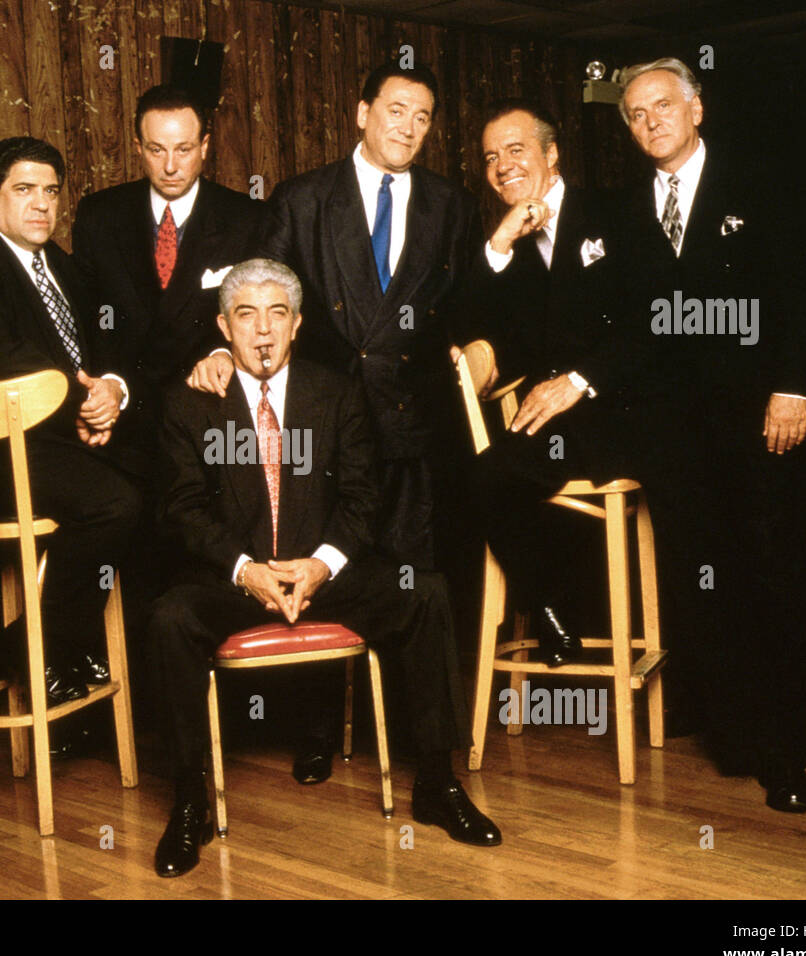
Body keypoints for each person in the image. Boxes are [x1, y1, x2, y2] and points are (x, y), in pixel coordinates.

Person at [148, 260, 501, 878]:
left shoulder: (335, 391)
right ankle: (187, 802)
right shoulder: (190, 400)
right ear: (223, 327)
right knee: (170, 616)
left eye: (277, 314)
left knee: (426, 592)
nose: (262, 332)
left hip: (322, 574)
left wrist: (319, 566)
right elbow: (179, 509)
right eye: (246, 316)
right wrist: (246, 570)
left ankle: (438, 782)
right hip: (240, 578)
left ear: (299, 323)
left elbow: (365, 498)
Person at [189, 59, 480, 783]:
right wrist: (218, 352)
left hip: (413, 425)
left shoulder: (451, 202)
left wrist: (479, 344)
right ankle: (315, 731)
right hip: (319, 426)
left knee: (413, 584)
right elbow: (263, 296)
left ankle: (425, 755)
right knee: (312, 570)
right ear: (361, 112)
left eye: (423, 116)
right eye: (395, 110)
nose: (408, 127)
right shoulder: (304, 197)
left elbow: (470, 301)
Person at [616, 58, 806, 811]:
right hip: (676, 431)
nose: (650, 121)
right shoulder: (627, 207)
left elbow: (802, 286)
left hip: (759, 418)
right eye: (635, 114)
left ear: (696, 109)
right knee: (702, 579)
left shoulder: (759, 182)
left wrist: (792, 384)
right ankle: (736, 730)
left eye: (662, 105)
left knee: (772, 571)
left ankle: (787, 748)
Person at [0, 137, 142, 706]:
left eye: (52, 192)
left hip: (61, 442)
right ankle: (30, 647)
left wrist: (111, 391)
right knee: (117, 503)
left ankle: (59, 643)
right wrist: (81, 407)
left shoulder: (62, 264)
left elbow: (108, 341)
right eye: (24, 190)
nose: (42, 205)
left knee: (162, 482)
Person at [461, 98, 637, 666]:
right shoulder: (507, 245)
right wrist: (499, 242)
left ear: (553, 154)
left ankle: (550, 605)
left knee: (494, 474)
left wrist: (579, 381)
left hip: (622, 410)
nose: (502, 165)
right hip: (551, 423)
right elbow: (472, 323)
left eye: (516, 150)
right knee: (480, 474)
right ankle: (552, 607)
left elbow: (649, 321)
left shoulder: (613, 213)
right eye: (491, 157)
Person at [72, 85, 267, 479]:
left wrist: (226, 354)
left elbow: (264, 315)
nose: (171, 166)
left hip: (212, 412)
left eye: (184, 149)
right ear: (137, 147)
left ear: (205, 146)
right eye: (156, 150)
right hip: (125, 417)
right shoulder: (99, 215)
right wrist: (109, 385)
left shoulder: (248, 219)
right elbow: (86, 317)